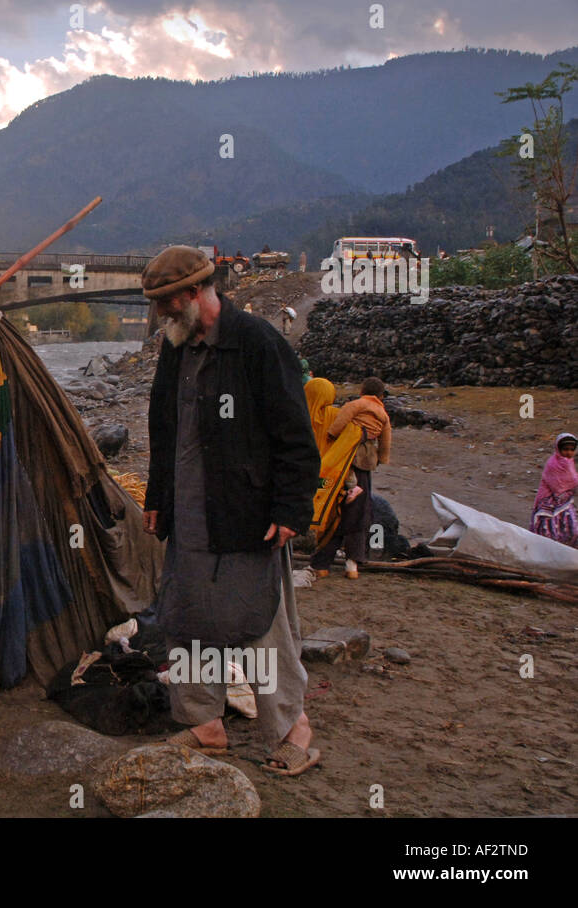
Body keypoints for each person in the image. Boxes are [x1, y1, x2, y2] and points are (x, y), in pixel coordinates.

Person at [141, 245, 322, 776]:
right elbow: (163, 429)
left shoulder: (257, 343)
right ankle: (205, 724)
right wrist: (157, 498)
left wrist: (292, 507)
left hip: (248, 514)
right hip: (190, 515)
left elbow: (295, 434)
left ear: (196, 293)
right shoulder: (177, 347)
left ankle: (294, 730)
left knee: (261, 622)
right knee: (188, 617)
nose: (160, 315)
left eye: (166, 303)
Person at [323, 376, 392, 579]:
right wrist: (381, 459)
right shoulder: (383, 414)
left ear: (362, 391)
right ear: (380, 395)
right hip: (366, 462)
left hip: (346, 459)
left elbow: (340, 422)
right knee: (361, 510)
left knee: (336, 507)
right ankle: (353, 564)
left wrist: (331, 436)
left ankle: (322, 562)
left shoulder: (356, 404)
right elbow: (386, 440)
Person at [304, 377, 366, 578]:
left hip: (305, 476)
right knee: (335, 517)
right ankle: (342, 566)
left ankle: (318, 564)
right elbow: (355, 432)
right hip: (331, 478)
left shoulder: (298, 416)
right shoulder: (335, 415)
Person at [531, 432, 578, 547]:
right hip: (550, 500)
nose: (569, 452)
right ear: (558, 449)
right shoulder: (553, 464)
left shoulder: (568, 462)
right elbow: (558, 485)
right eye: (565, 449)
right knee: (550, 530)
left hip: (564, 499)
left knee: (572, 527)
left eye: (572, 450)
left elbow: (572, 479)